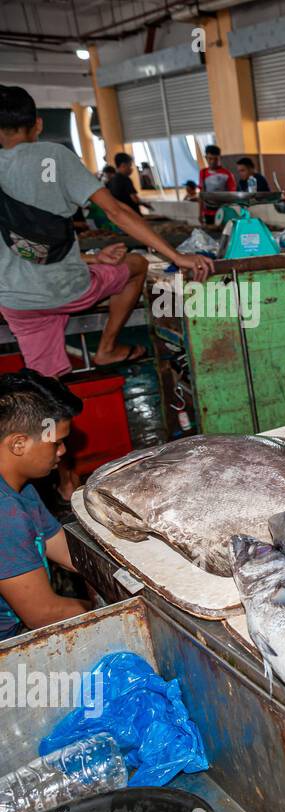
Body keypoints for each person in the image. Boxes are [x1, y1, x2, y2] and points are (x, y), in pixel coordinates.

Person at [0, 85, 212, 376]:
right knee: (136, 264)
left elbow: (19, 243)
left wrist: (92, 258)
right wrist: (177, 256)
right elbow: (117, 212)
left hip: (16, 302)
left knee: (48, 386)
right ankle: (107, 348)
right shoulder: (54, 156)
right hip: (67, 289)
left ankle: (51, 418)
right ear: (38, 123)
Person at [0, 371, 93, 637]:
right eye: (57, 442)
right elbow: (45, 614)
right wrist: (119, 606)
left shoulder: (23, 488)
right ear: (19, 443)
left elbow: (68, 554)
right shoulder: (5, 516)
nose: (63, 451)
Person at [198, 144, 237, 224]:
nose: (212, 161)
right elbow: (201, 194)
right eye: (210, 159)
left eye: (215, 159)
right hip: (208, 212)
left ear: (220, 158)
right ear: (206, 158)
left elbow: (232, 195)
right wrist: (200, 213)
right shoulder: (203, 173)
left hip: (223, 212)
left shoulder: (227, 174)